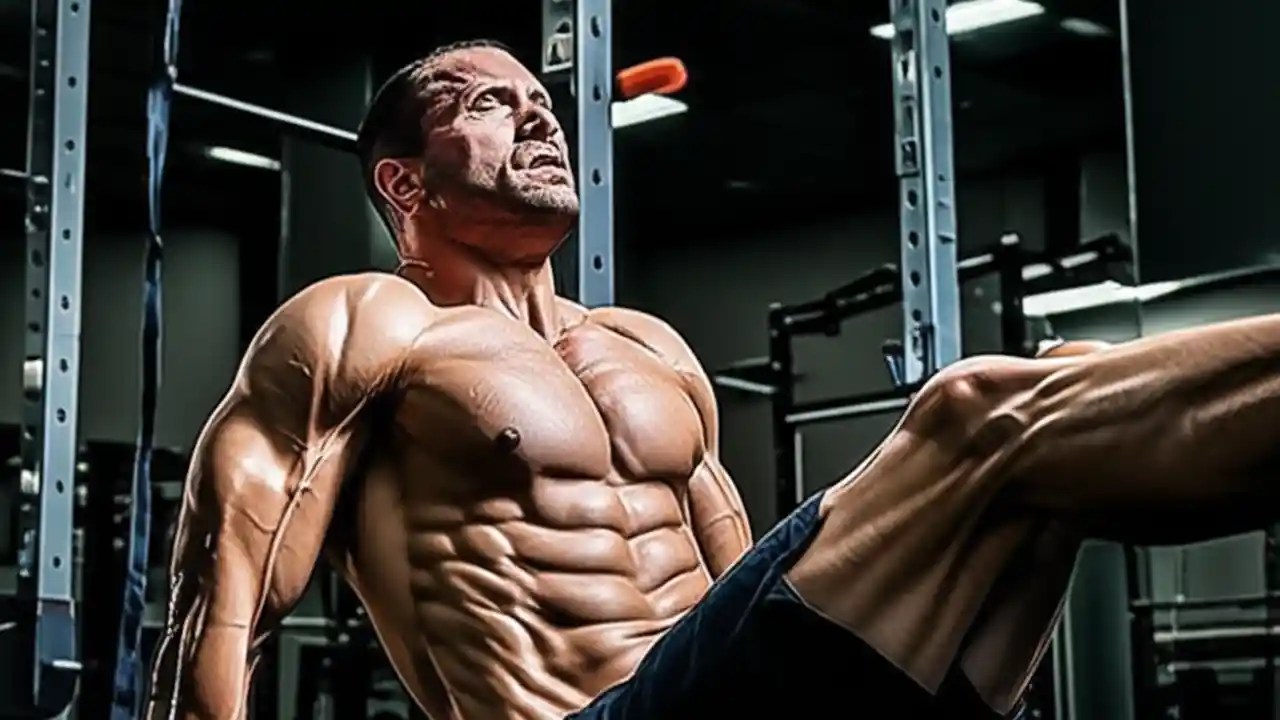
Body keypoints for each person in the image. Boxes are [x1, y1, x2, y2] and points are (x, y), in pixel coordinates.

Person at [144, 39, 1280, 720]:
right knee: (970, 414)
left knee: (1068, 394)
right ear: (404, 180)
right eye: (486, 102)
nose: (536, 111)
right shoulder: (361, 320)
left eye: (536, 99)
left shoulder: (643, 344)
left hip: (725, 702)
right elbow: (221, 605)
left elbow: (754, 607)